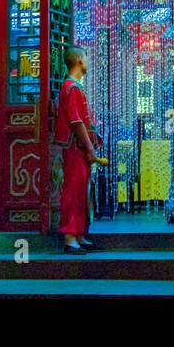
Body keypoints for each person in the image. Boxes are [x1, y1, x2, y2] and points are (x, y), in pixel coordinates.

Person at [54, 46, 106, 254]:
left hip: (79, 147)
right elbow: (77, 122)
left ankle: (78, 233)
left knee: (81, 190)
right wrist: (90, 148)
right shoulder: (71, 88)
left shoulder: (74, 87)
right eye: (87, 57)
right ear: (79, 61)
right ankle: (69, 235)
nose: (89, 61)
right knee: (74, 191)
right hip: (76, 146)